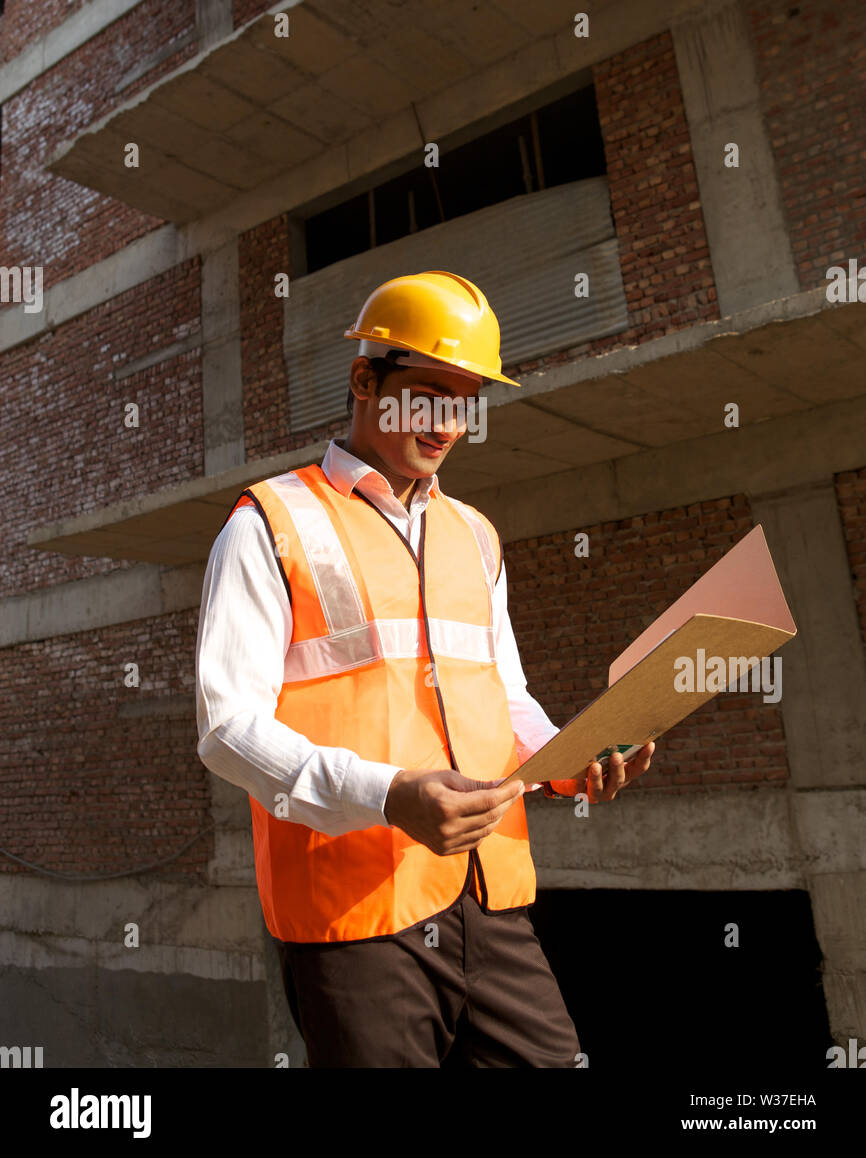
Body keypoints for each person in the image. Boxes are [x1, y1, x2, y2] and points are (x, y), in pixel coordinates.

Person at [195, 269, 654, 1067]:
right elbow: (227, 730)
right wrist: (387, 795)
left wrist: (568, 759)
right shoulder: (269, 522)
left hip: (491, 895)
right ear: (364, 380)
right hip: (358, 914)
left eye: (466, 400)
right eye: (430, 394)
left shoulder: (475, 534)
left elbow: (502, 693)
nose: (449, 423)